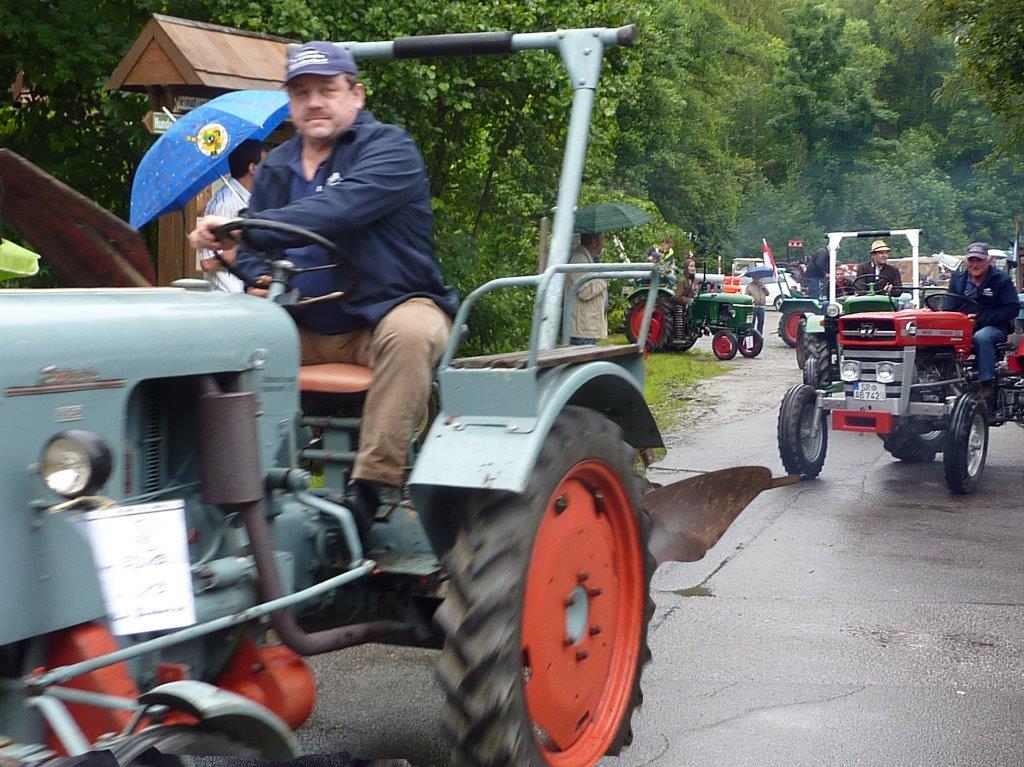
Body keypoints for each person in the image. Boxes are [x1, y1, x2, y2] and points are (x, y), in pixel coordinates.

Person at [189, 41, 458, 533]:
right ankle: (228, 488)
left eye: (327, 90)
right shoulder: (276, 166)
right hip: (307, 325)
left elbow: (337, 212)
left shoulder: (389, 149)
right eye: (302, 92)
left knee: (413, 332)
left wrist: (239, 225)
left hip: (384, 319)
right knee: (218, 337)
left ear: (355, 95)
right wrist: (252, 270)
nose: (315, 102)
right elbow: (253, 258)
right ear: (290, 103)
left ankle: (369, 492)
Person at [943, 242, 1021, 407]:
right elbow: (948, 307)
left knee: (982, 337)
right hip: (963, 328)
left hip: (994, 327)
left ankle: (986, 384)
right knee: (941, 338)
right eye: (971, 260)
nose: (975, 264)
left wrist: (980, 318)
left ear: (988, 261)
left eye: (979, 260)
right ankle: (943, 381)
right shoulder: (958, 280)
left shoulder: (1001, 280)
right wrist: (959, 320)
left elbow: (1012, 309)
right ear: (966, 261)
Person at [197, 140, 266, 292]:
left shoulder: (253, 199)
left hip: (251, 295)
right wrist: (253, 244)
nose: (270, 169)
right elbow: (207, 263)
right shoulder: (224, 204)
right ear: (253, 168)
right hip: (230, 298)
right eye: (266, 165)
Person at [565, 232, 608, 345]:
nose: (603, 244)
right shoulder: (579, 259)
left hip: (586, 327)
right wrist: (604, 279)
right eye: (602, 239)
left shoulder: (585, 258)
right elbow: (584, 292)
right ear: (594, 241)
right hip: (582, 330)